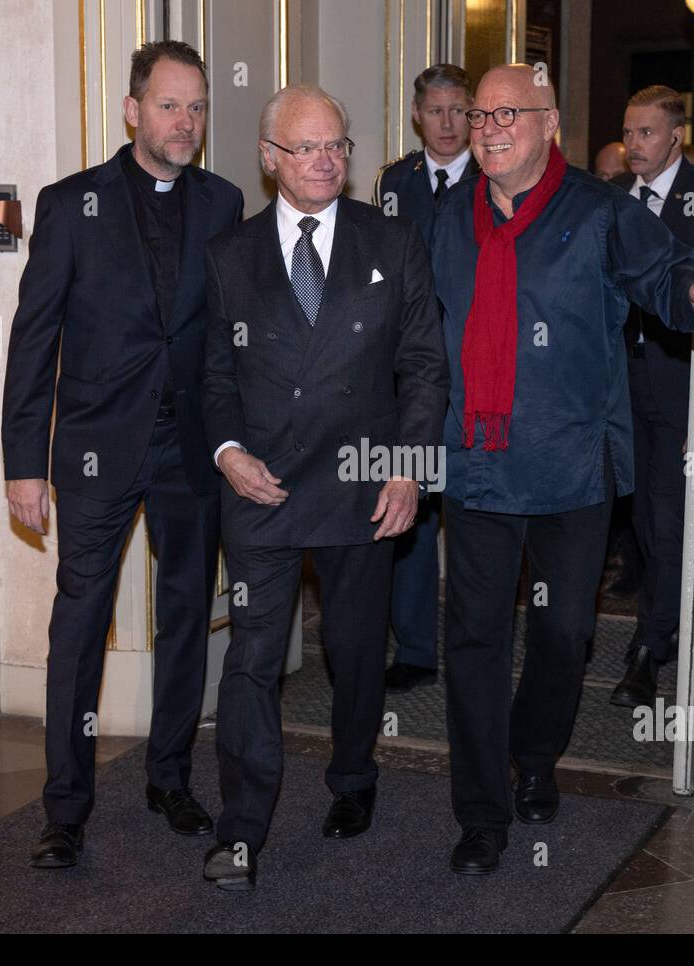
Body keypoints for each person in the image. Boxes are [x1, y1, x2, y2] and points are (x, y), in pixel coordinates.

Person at [431, 64, 694, 875]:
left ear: (551, 126)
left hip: (571, 467)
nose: (491, 127)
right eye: (480, 114)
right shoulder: (443, 220)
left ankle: (535, 754)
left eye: (510, 112)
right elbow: (408, 324)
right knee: (472, 637)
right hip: (473, 462)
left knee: (564, 629)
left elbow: (662, 270)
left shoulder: (603, 211)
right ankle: (480, 809)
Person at [200, 84, 449, 891]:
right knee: (253, 659)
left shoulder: (395, 239)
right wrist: (228, 450)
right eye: (305, 147)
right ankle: (241, 828)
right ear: (269, 159)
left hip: (361, 482)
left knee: (352, 649)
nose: (325, 160)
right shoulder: (228, 255)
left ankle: (353, 774)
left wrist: (410, 465)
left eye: (336, 144)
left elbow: (422, 366)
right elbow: (209, 377)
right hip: (261, 486)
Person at [2, 41, 243, 869]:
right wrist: (23, 462)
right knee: (80, 624)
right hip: (98, 448)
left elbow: (225, 336)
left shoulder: (223, 202)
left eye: (199, 106)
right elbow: (34, 339)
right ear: (134, 109)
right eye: (171, 104)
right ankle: (65, 806)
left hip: (191, 452)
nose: (186, 122)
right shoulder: (72, 205)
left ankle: (168, 776)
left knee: (187, 619)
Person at [370, 63, 478, 694]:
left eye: (459, 110)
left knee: (475, 511)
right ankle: (414, 647)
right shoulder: (392, 181)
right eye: (435, 111)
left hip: (472, 374)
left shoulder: (495, 177)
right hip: (407, 374)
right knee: (408, 509)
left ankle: (475, 643)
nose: (446, 123)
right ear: (417, 115)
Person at [610, 85, 694, 707]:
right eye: (629, 131)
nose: (634, 144)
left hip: (677, 379)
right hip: (615, 381)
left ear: (676, 135)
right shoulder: (611, 200)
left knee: (666, 517)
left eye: (647, 133)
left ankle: (653, 644)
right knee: (635, 514)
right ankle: (652, 622)